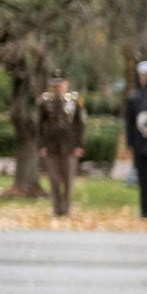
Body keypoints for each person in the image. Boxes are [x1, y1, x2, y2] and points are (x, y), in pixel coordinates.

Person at [36, 70, 85, 217]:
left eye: (60, 84)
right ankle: (57, 209)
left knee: (68, 180)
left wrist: (80, 145)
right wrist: (41, 145)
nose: (58, 87)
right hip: (51, 147)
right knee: (54, 179)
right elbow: (40, 125)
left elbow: (80, 125)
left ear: (66, 84)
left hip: (70, 147)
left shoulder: (74, 101)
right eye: (55, 84)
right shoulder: (45, 102)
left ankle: (67, 210)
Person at [125, 61, 147, 217]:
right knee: (143, 180)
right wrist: (130, 145)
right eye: (142, 76)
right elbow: (129, 124)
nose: (144, 79)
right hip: (140, 146)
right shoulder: (134, 98)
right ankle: (145, 210)